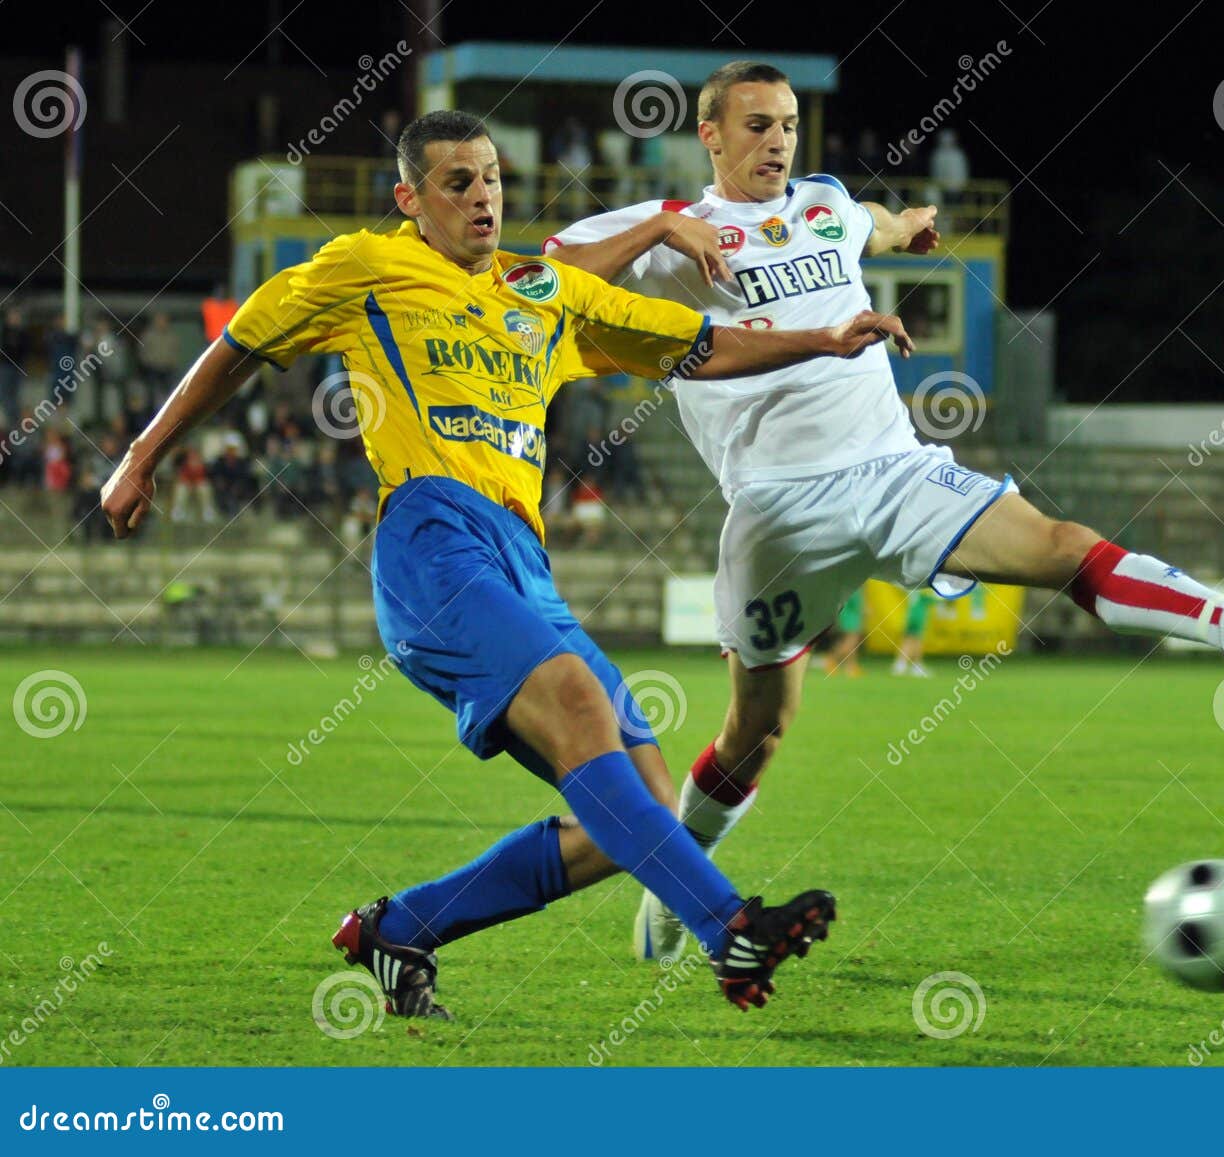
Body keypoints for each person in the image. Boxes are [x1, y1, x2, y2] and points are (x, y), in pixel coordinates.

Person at [101, 109, 915, 1017]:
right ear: (410, 199)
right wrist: (141, 457)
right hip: (431, 541)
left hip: (522, 559)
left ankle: (401, 926)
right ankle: (731, 929)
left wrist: (822, 338)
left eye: (490, 177)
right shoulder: (362, 267)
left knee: (644, 812)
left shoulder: (542, 290)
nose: (483, 196)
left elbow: (697, 341)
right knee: (579, 706)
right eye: (458, 183)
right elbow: (239, 347)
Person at [544, 60, 1224, 963]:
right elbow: (553, 272)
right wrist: (661, 225)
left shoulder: (823, 204)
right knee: (756, 731)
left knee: (1059, 544)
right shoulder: (672, 232)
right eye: (758, 125)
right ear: (711, 135)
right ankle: (677, 879)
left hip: (895, 471)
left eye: (789, 125)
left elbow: (872, 222)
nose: (777, 142)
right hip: (777, 510)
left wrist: (910, 225)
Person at [819, 587, 864, 677]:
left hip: (849, 615)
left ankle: (851, 666)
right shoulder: (853, 587)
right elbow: (856, 603)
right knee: (850, 643)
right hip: (851, 617)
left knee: (850, 643)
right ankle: (830, 659)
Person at [891, 589, 934, 677]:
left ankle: (908, 665)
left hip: (912, 615)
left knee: (911, 641)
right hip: (917, 616)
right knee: (914, 641)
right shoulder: (922, 589)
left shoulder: (915, 588)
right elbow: (931, 599)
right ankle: (905, 665)